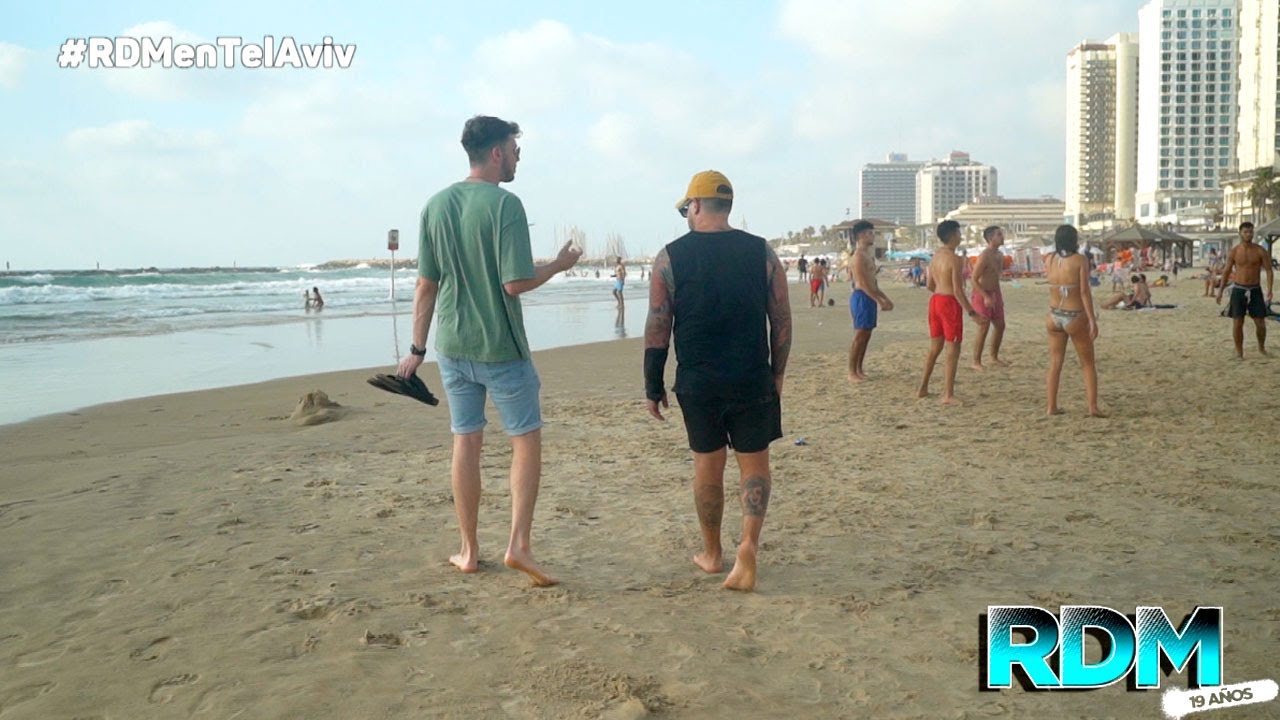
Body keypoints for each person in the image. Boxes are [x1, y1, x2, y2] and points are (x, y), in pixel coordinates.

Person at [397, 115, 581, 587]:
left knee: (466, 440)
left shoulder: (435, 206)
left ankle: (468, 549)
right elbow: (514, 282)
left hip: (453, 346)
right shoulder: (505, 205)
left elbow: (425, 285)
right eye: (515, 148)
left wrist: (416, 349)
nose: (519, 156)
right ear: (497, 152)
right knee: (525, 440)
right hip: (501, 345)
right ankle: (518, 544)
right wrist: (559, 265)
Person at [644, 170, 791, 592]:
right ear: (726, 206)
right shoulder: (762, 253)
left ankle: (712, 554)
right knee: (755, 465)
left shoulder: (669, 257)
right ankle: (747, 545)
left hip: (698, 380)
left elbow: (658, 323)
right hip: (751, 376)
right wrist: (776, 374)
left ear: (694, 206)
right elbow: (780, 320)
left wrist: (652, 384)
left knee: (708, 468)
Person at [917, 221, 985, 405]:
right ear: (953, 235)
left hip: (936, 301)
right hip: (948, 302)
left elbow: (930, 284)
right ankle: (948, 393)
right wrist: (972, 313)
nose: (960, 236)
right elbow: (957, 290)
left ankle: (923, 386)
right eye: (959, 233)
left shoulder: (936, 256)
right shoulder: (955, 259)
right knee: (952, 348)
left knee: (935, 347)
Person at [1044, 225, 1103, 417]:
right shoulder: (1080, 260)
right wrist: (1092, 319)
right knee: (1087, 363)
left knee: (1055, 362)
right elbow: (1084, 292)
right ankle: (1092, 406)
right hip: (1074, 315)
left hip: (1054, 315)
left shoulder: (1050, 259)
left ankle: (1051, 406)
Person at [1216, 222, 1275, 358]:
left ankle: (1261, 347)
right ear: (1240, 233)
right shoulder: (1235, 251)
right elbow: (1226, 271)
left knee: (1260, 323)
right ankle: (1239, 352)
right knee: (1238, 322)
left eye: (1250, 232)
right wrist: (1220, 291)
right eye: (1245, 232)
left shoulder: (1260, 250)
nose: (1248, 234)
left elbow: (1269, 271)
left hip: (1255, 290)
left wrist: (1269, 290)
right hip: (1238, 289)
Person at [847, 220, 894, 382]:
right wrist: (879, 300)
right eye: (870, 233)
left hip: (869, 297)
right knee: (859, 335)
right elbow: (861, 283)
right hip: (861, 297)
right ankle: (852, 371)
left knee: (866, 334)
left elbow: (872, 282)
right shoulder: (858, 256)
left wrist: (884, 298)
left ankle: (859, 368)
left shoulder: (868, 255)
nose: (872, 235)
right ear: (861, 235)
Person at [970, 225, 1009, 369]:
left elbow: (996, 276)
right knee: (983, 326)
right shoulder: (984, 255)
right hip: (982, 293)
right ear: (990, 238)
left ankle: (994, 356)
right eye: (999, 234)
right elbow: (974, 279)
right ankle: (976, 361)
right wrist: (985, 296)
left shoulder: (999, 255)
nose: (1002, 237)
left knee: (1000, 325)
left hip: (995, 292)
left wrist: (996, 296)